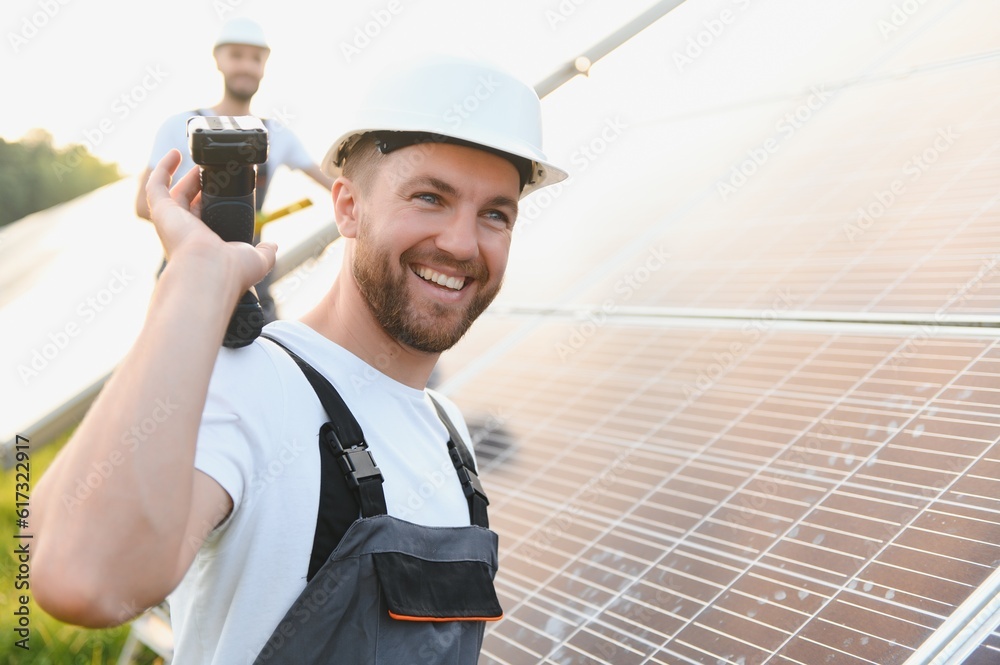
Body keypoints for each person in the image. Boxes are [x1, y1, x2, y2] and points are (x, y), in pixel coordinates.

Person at [30, 53, 567, 663]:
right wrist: (196, 279)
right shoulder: (255, 384)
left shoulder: (450, 432)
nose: (462, 243)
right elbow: (86, 581)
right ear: (347, 208)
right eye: (428, 197)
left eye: (495, 214)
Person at [135, 16, 335, 322]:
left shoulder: (278, 134)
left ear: (265, 66)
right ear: (218, 59)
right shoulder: (179, 126)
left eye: (256, 58)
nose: (246, 66)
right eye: (237, 55)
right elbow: (141, 204)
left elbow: (337, 185)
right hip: (184, 272)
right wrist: (192, 220)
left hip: (251, 275)